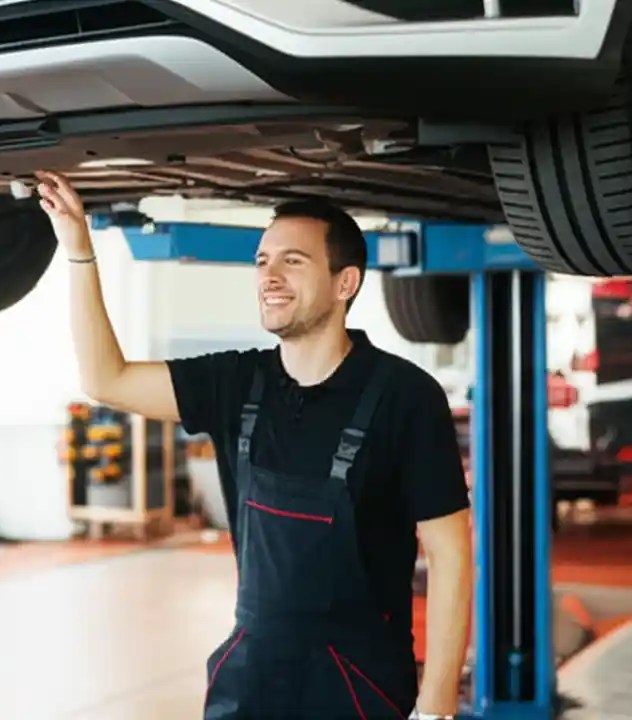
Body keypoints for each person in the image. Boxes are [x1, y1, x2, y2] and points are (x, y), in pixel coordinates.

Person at [36, 171, 472, 719]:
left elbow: (451, 554)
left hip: (358, 687)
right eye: (262, 261)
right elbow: (107, 379)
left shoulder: (406, 398)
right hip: (251, 679)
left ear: (346, 283)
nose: (269, 275)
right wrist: (79, 252)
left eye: (293, 260)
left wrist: (435, 709)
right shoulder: (235, 383)